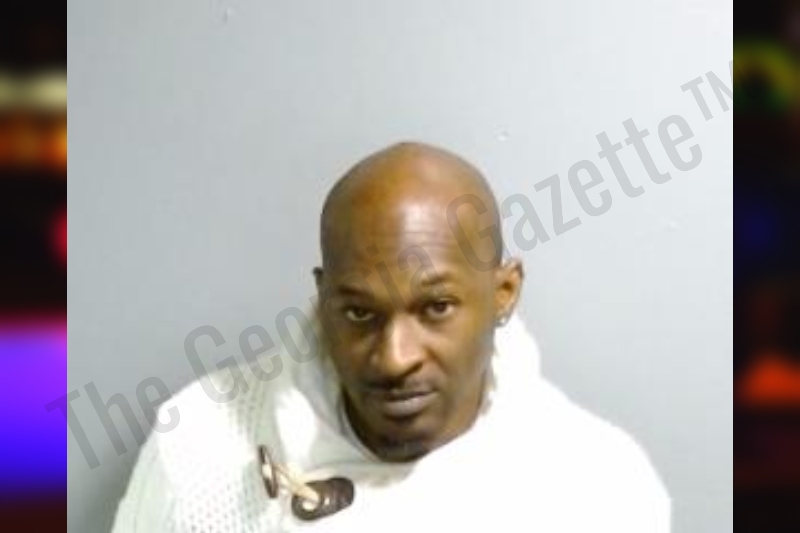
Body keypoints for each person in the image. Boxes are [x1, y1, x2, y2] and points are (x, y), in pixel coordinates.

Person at [111, 142, 670, 532]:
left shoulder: (602, 488)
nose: (394, 358)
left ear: (503, 292)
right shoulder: (199, 445)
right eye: (360, 313)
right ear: (323, 297)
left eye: (436, 308)